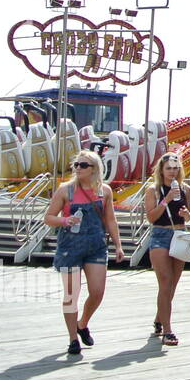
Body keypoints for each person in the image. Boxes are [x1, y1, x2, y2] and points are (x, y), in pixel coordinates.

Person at [42, 149, 124, 356]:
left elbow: (110, 220)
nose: (78, 168)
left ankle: (82, 323)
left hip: (96, 244)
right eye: (76, 165)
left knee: (97, 292)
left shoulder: (104, 191)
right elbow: (48, 217)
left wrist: (118, 245)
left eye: (83, 165)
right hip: (70, 246)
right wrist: (64, 220)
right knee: (71, 295)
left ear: (94, 168)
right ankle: (72, 339)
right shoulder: (65, 190)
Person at [145, 152, 190, 346]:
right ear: (161, 170)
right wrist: (165, 200)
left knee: (172, 284)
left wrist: (186, 213)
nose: (172, 172)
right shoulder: (154, 190)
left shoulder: (185, 189)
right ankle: (168, 330)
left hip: (180, 234)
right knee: (164, 282)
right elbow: (151, 217)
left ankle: (159, 318)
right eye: (169, 168)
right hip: (160, 235)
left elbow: (189, 216)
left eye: (175, 168)